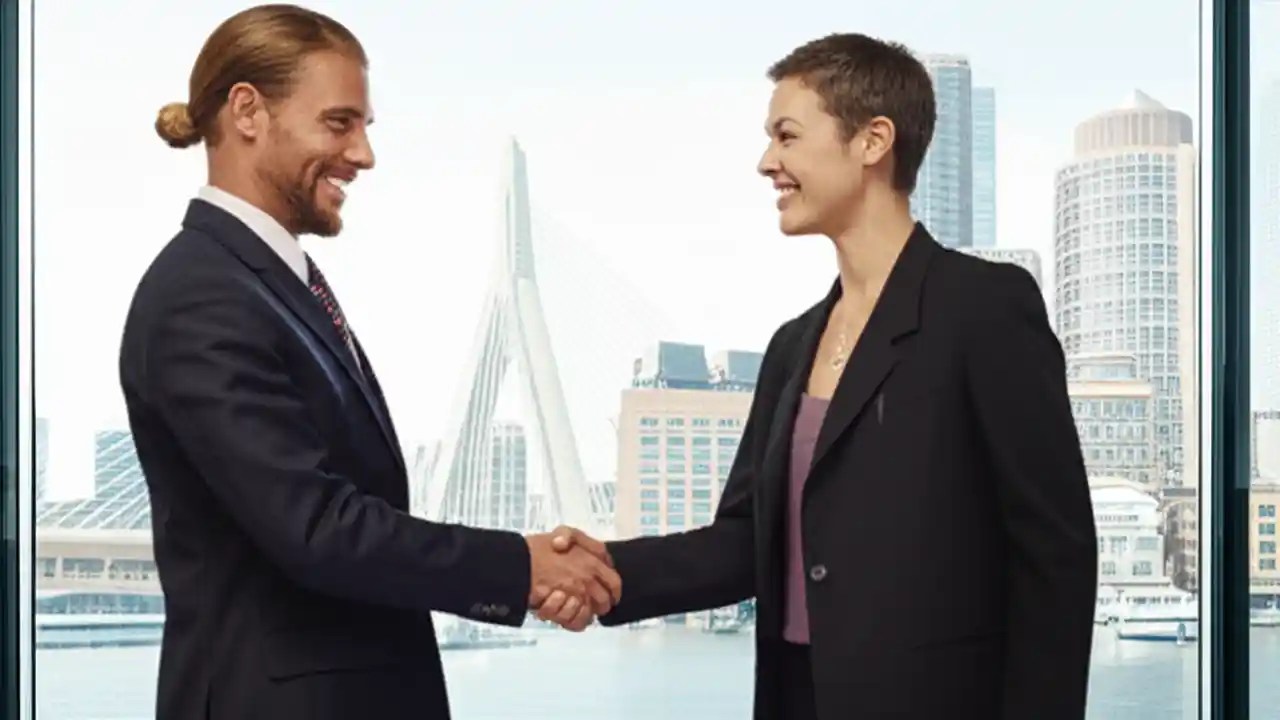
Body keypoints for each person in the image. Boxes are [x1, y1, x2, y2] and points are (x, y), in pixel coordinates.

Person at [537, 32, 1098, 719]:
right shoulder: (791, 345)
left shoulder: (983, 308)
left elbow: (1054, 556)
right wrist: (607, 571)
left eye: (787, 135)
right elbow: (746, 541)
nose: (767, 162)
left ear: (872, 141)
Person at [118, 5, 619, 719]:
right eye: (338, 122)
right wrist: (522, 564)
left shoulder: (270, 282)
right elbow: (316, 529)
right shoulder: (203, 294)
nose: (363, 154)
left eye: (364, 127)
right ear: (248, 111)